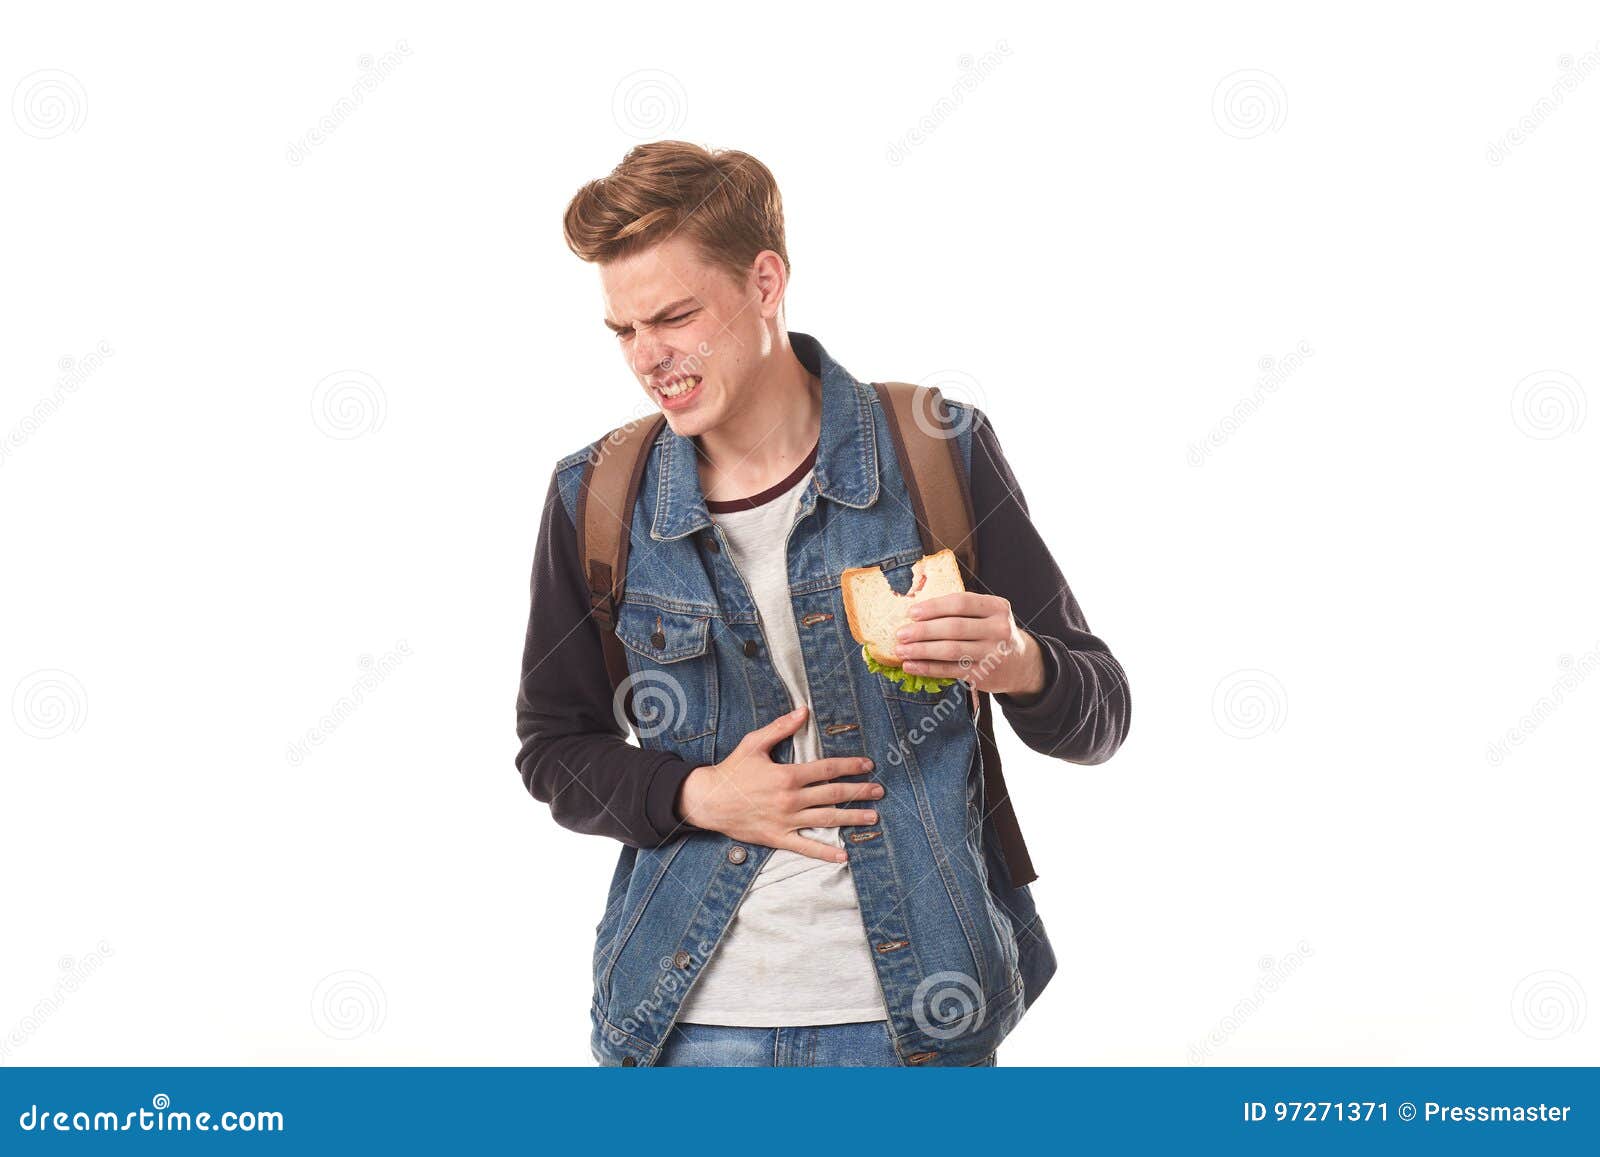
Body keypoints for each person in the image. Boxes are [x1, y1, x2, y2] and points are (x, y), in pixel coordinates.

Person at [515, 141, 1131, 1067]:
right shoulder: (598, 496)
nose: (651, 358)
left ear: (766, 281)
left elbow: (1102, 714)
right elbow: (552, 747)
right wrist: (696, 790)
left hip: (922, 1017)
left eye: (676, 316)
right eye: (625, 330)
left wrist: (1020, 661)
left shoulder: (935, 449)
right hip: (683, 1021)